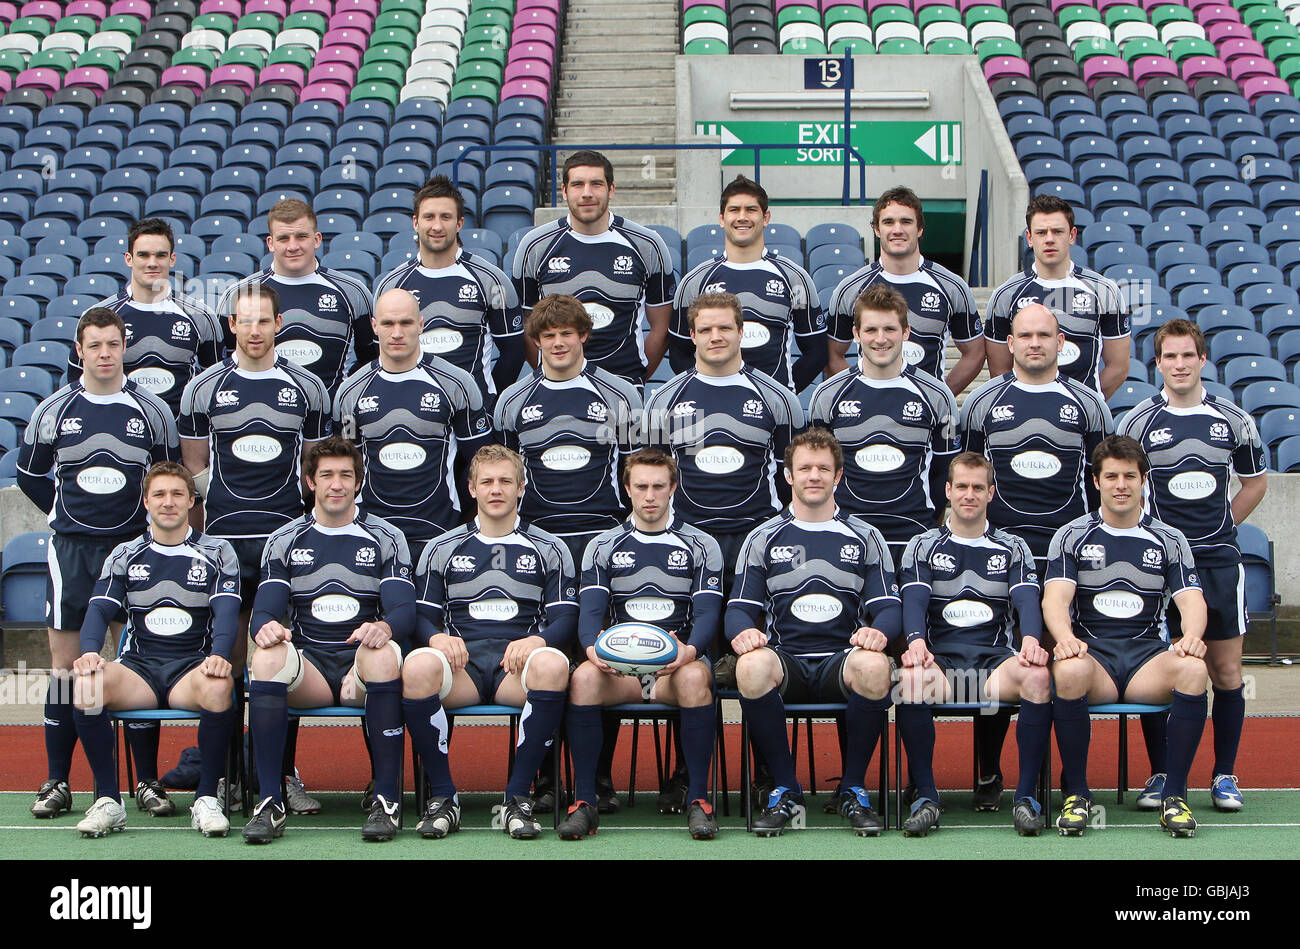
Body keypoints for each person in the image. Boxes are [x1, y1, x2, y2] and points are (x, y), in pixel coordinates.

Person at [17, 307, 178, 820]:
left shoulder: (152, 410)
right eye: (96, 345)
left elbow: (165, 475)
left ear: (123, 347)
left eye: (114, 344)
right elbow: (31, 477)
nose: (105, 354)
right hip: (73, 551)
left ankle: (147, 781)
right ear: (79, 350)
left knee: (139, 666)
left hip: (134, 551)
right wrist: (69, 516)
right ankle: (58, 781)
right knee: (65, 670)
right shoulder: (53, 409)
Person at [179, 285, 331, 813]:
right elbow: (195, 475)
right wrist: (201, 541)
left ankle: (281, 775)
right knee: (225, 659)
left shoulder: (307, 387)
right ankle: (222, 777)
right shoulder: (203, 389)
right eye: (245, 321)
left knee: (277, 659)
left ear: (278, 321)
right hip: (222, 545)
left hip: (283, 546)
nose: (255, 329)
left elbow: (314, 473)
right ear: (231, 324)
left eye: (264, 320)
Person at [958, 302, 1112, 809]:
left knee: (1065, 667)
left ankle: (1068, 780)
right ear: (1011, 341)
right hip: (1000, 558)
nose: (1034, 344)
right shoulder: (983, 404)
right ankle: (988, 771)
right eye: (1024, 335)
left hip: (1071, 558)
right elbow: (969, 478)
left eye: (1044, 335)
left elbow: (1102, 484)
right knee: (1000, 660)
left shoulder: (1089, 405)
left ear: (1061, 339)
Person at [1117, 318, 1266, 812]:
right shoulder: (1137, 422)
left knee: (1225, 672)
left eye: (1187, 355)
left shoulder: (1233, 419)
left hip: (1219, 564)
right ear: (1156, 363)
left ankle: (1224, 774)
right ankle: (1161, 773)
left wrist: (1223, 526)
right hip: (1155, 570)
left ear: (1202, 359)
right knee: (1160, 670)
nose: (1179, 365)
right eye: (1169, 357)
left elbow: (1254, 483)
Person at [727, 429, 901, 837]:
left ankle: (852, 789)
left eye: (824, 468)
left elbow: (889, 608)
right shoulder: (763, 537)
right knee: (750, 667)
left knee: (876, 666)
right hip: (786, 660)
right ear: (788, 475)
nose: (814, 476)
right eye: (804, 468)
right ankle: (786, 790)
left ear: (838, 475)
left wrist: (879, 633)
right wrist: (741, 636)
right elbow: (739, 609)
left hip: (841, 662)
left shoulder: (865, 536)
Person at [242, 437, 415, 844]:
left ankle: (386, 798)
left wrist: (384, 628)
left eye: (345, 475)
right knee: (266, 657)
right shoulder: (285, 539)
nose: (336, 484)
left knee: (384, 652)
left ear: (358, 482)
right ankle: (270, 801)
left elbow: (404, 612)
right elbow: (264, 612)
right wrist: (265, 628)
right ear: (309, 482)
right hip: (313, 671)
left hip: (361, 668)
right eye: (327, 476)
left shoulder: (385, 537)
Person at [401, 444, 577, 840]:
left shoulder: (551, 548)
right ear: (471, 488)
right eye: (487, 482)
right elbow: (420, 614)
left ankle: (517, 798)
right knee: (416, 665)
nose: (496, 489)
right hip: (461, 667)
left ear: (520, 488)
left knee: (553, 664)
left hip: (516, 669)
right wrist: (436, 637)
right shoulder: (441, 548)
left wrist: (539, 640)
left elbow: (566, 615)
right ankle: (444, 798)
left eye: (505, 481)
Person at [1044, 435, 1209, 837]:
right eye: (1112, 476)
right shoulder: (1072, 535)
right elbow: (1054, 600)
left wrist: (1191, 636)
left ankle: (1174, 796)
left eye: (1130, 476)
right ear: (1096, 481)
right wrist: (1064, 638)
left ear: (1144, 480)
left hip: (1145, 661)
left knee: (1193, 670)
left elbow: (1192, 601)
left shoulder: (1169, 538)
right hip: (1094, 658)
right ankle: (1078, 794)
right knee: (1066, 670)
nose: (1121, 485)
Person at [558, 448, 724, 840]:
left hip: (673, 668)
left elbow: (707, 615)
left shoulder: (702, 545)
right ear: (627, 489)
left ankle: (698, 801)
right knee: (582, 678)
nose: (650, 496)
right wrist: (592, 649)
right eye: (641, 487)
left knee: (696, 678)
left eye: (658, 487)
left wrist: (689, 651)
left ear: (673, 488)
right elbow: (591, 612)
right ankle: (585, 801)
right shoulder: (603, 545)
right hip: (622, 671)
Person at [69, 462, 240, 838]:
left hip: (191, 667)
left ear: (191, 500)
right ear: (146, 501)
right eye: (159, 494)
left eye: (177, 494)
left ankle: (207, 799)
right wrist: (89, 650)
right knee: (85, 685)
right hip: (138, 668)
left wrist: (221, 654)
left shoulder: (217, 551)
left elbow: (226, 611)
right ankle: (109, 802)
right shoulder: (125, 553)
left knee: (218, 685)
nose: (168, 502)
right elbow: (99, 608)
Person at [895, 452, 1052, 837]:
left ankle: (1026, 798)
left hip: (995, 663)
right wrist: (916, 642)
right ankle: (926, 797)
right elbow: (913, 601)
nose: (969, 494)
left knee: (1037, 677)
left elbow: (1028, 601)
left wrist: (1031, 640)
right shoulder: (922, 545)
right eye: (961, 486)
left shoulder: (1013, 547)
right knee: (909, 680)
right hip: (944, 663)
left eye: (978, 487)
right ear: (947, 491)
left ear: (991, 493)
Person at [644, 291, 805, 588]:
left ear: (741, 331)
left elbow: (791, 479)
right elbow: (653, 477)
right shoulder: (663, 401)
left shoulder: (779, 399)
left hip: (756, 536)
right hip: (688, 537)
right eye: (705, 330)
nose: (715, 337)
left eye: (725, 328)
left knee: (751, 632)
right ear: (692, 335)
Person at [808, 282, 959, 561]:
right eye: (871, 330)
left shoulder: (937, 396)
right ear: (856, 334)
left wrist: (928, 523)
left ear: (906, 332)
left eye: (890, 329)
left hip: (914, 536)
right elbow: (819, 469)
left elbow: (944, 474)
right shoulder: (827, 395)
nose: (881, 339)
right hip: (847, 537)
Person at [334, 288, 492, 551]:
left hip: (439, 534)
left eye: (406, 322)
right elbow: (348, 467)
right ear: (374, 326)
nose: (397, 333)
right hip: (372, 538)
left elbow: (481, 463)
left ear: (420, 325)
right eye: (388, 323)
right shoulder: (351, 392)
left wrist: (460, 516)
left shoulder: (456, 384)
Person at [513, 149, 676, 386]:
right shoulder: (535, 246)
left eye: (596, 184)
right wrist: (552, 370)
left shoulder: (647, 244)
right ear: (564, 191)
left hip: (624, 384)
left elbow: (662, 328)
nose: (587, 193)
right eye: (577, 184)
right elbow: (525, 326)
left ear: (611, 189)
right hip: (557, 387)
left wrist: (634, 377)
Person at [373, 175, 524, 405]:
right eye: (429, 217)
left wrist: (485, 402)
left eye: (446, 217)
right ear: (415, 222)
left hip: (473, 416)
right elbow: (381, 354)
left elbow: (514, 352)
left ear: (459, 223)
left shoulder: (491, 280)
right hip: (414, 410)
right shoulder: (392, 285)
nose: (437, 226)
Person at [669, 174, 826, 392]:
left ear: (766, 217)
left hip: (774, 413)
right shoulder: (695, 281)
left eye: (751, 210)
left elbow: (817, 352)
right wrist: (707, 389)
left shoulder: (794, 278)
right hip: (714, 402)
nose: (742, 217)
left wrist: (782, 394)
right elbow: (678, 353)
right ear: (722, 218)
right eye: (734, 210)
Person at [825, 186, 984, 395]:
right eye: (888, 222)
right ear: (876, 229)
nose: (897, 229)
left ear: (920, 229)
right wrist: (862, 393)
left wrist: (938, 395)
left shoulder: (951, 286)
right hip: (869, 412)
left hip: (926, 419)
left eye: (906, 222)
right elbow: (832, 355)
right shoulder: (851, 288)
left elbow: (975, 352)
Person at [218, 198, 376, 396]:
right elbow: (222, 363)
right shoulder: (239, 295)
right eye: (283, 238)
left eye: (301, 236)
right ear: (270, 243)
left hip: (328, 421)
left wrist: (341, 397)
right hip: (262, 415)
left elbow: (370, 360)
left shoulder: (353, 292)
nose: (293, 246)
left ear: (317, 239)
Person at [69, 218, 224, 419]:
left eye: (160, 255)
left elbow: (214, 385)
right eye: (143, 255)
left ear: (172, 259)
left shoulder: (200, 316)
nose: (152, 263)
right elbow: (77, 384)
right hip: (119, 436)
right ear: (128, 258)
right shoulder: (95, 317)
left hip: (178, 439)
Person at [985, 194, 1129, 399]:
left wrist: (1085, 405)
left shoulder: (1104, 291)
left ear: (1072, 235)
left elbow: (1119, 367)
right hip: (1025, 411)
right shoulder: (1006, 295)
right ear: (1029, 238)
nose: (1049, 239)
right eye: (1041, 232)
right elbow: (999, 371)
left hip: (1083, 421)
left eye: (1057, 231)